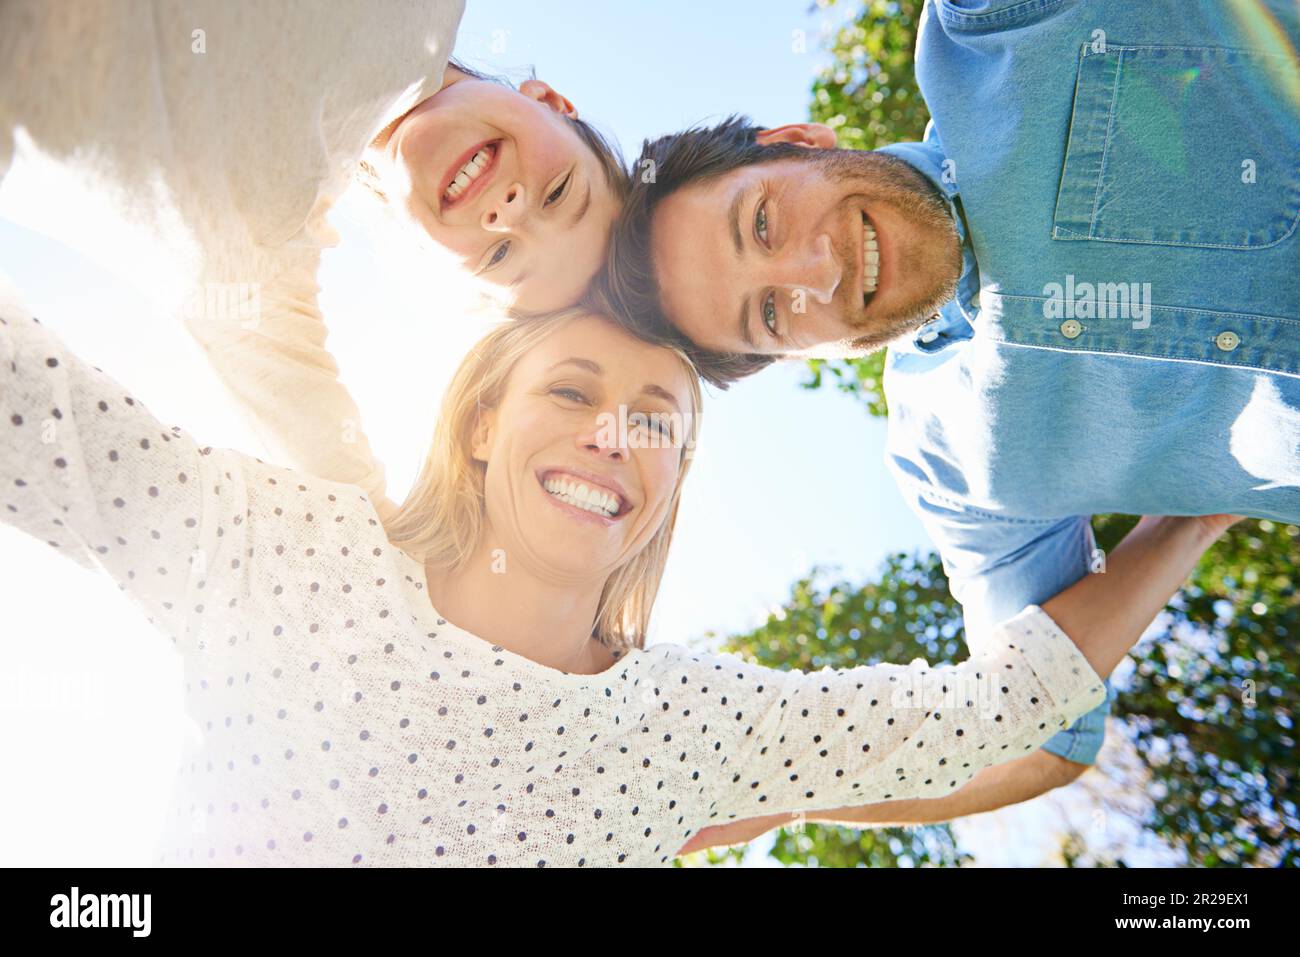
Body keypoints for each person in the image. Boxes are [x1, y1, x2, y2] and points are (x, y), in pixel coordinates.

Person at [0, 278, 1241, 866]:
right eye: (574, 391)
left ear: (673, 486)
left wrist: (1184, 522)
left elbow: (992, 714)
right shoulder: (300, 560)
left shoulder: (693, 724)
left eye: (659, 418)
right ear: (480, 423)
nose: (614, 434)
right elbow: (46, 420)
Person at [598, 0, 1300, 831]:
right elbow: (1033, 735)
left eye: (763, 222)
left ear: (800, 142)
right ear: (797, 358)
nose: (816, 270)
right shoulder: (951, 462)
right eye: (774, 315)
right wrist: (719, 797)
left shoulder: (996, 28)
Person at [0, 0, 627, 525]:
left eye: (500, 255)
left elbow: (365, 535)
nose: (511, 214)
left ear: (438, 262)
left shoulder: (252, 251)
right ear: (552, 101)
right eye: (559, 193)